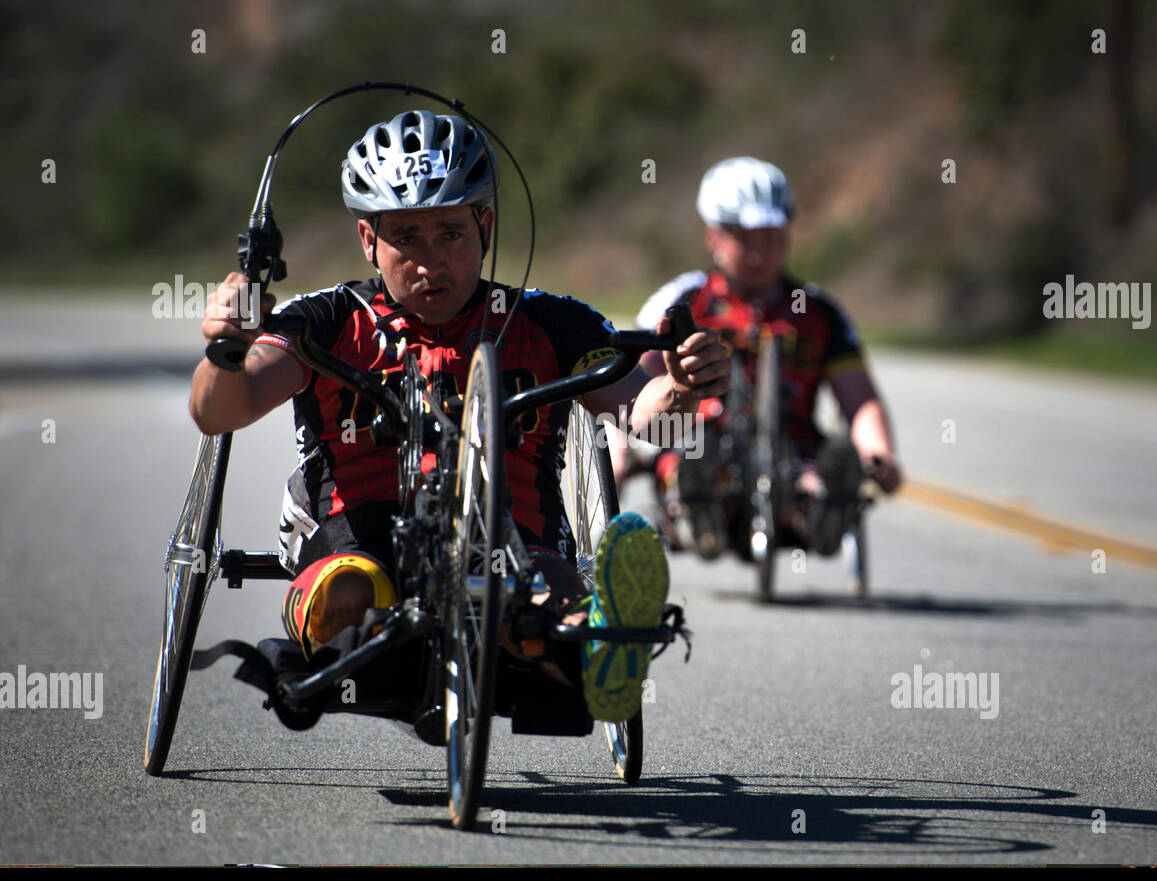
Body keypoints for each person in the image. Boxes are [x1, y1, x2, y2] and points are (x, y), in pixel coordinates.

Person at [189, 110, 728, 721]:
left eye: (450, 233)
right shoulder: (327, 320)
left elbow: (645, 415)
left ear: (486, 226)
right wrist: (225, 351)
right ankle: (403, 647)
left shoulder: (551, 323)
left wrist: (682, 387)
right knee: (350, 592)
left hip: (512, 540)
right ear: (369, 240)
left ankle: (598, 647)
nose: (430, 261)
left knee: (537, 607)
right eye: (407, 238)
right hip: (357, 533)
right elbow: (220, 412)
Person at [612, 156, 902, 560]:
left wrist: (879, 455)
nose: (759, 253)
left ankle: (822, 511)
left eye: (771, 239)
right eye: (744, 239)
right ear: (714, 236)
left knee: (815, 473)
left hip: (793, 454)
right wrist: (620, 452)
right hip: (700, 441)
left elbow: (860, 399)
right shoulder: (683, 301)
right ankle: (698, 510)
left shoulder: (818, 313)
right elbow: (629, 385)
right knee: (695, 455)